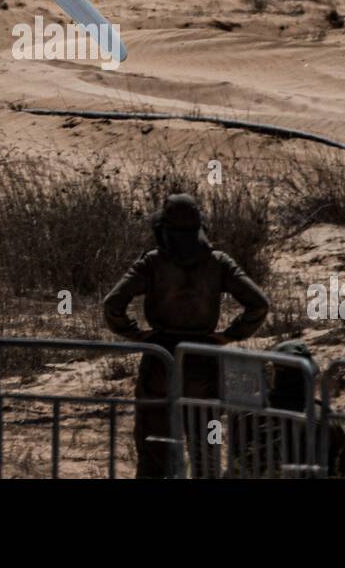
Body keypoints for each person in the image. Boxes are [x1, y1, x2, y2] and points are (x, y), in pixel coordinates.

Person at [103, 193, 270, 477]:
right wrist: (229, 336)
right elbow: (259, 304)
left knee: (153, 445)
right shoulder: (219, 262)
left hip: (161, 356)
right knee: (205, 444)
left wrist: (135, 334)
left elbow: (112, 304)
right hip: (204, 357)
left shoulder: (153, 262)